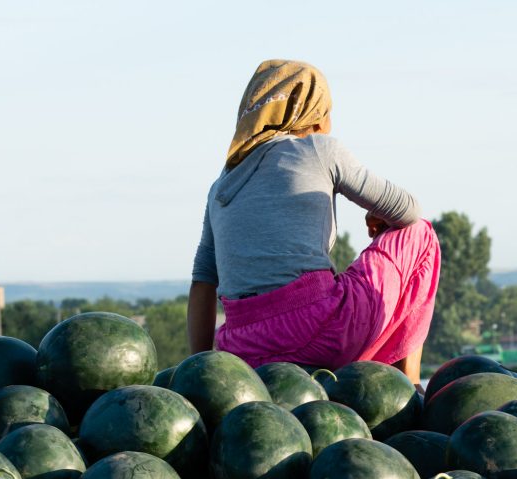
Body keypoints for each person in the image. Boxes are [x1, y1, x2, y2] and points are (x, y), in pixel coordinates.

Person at [187, 60, 440, 386]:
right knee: (419, 233)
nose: (330, 122)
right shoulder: (320, 149)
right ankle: (409, 384)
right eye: (327, 111)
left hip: (242, 351)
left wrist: (199, 375)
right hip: (319, 331)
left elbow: (202, 284)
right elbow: (408, 210)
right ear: (310, 113)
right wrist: (379, 214)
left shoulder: (221, 186)